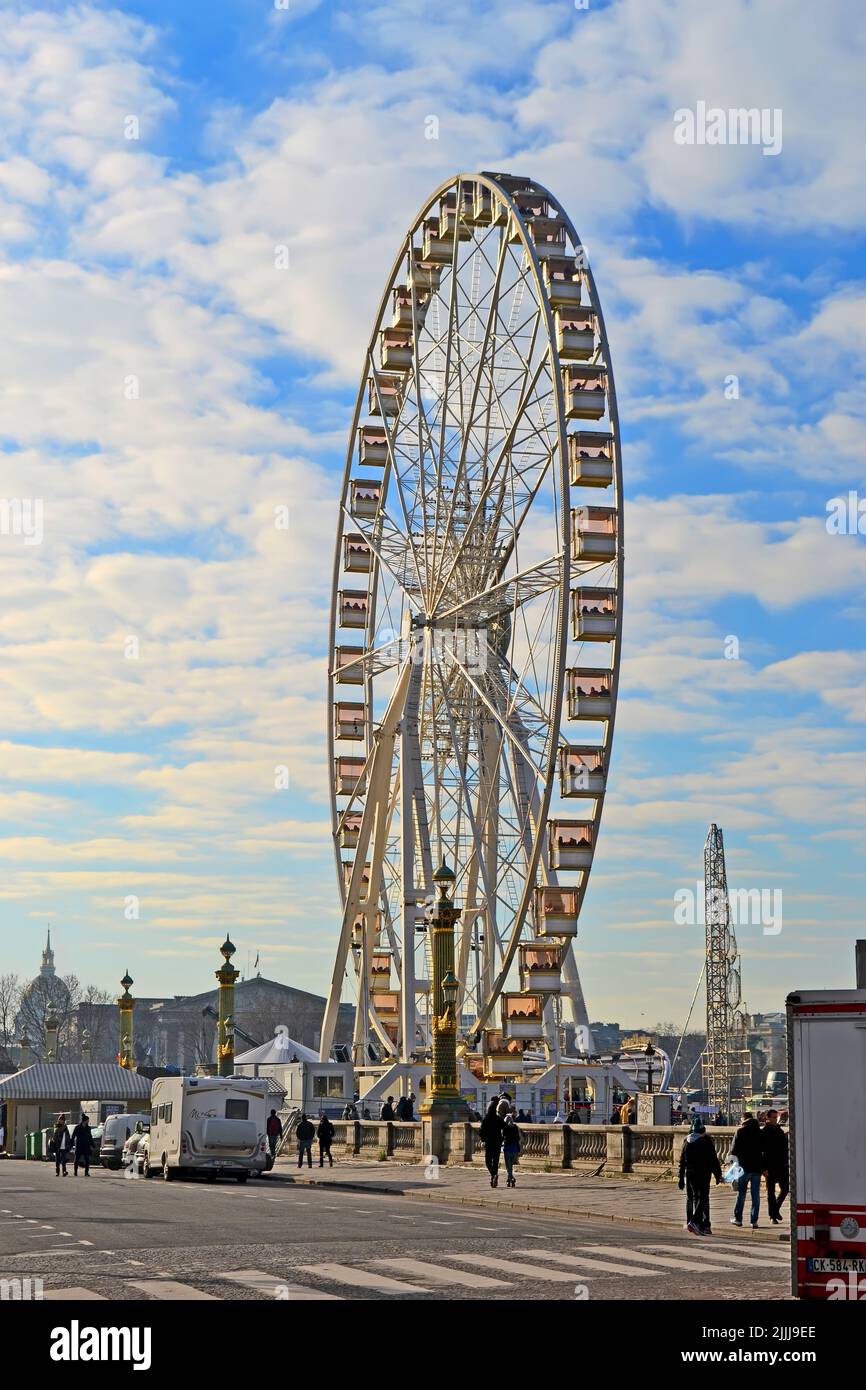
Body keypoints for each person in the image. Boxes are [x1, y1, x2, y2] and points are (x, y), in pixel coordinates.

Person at [678, 1117, 722, 1235]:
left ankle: (693, 1223)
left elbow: (682, 1161)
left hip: (690, 1173)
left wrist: (681, 1177)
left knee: (692, 1198)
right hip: (703, 1174)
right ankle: (696, 1222)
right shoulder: (705, 1142)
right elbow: (713, 1160)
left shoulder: (686, 1141)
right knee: (702, 1198)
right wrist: (718, 1175)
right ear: (703, 1130)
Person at [731, 1112, 764, 1228]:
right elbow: (763, 1150)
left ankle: (738, 1219)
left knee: (741, 1194)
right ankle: (754, 1221)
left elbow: (733, 1152)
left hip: (743, 1168)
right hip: (757, 1168)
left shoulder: (740, 1131)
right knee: (756, 1195)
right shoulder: (759, 1132)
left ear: (743, 1119)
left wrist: (734, 1169)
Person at [762, 1110, 789, 1225]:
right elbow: (761, 1151)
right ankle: (772, 1215)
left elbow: (784, 1149)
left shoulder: (779, 1130)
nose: (775, 1119)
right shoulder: (764, 1132)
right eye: (773, 1117)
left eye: (776, 1117)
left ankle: (775, 1209)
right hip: (770, 1166)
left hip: (781, 1165)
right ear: (767, 1118)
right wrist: (763, 1168)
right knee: (771, 1192)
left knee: (785, 1189)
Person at [479, 1098, 504, 1188]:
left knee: (488, 1161)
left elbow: (481, 1130)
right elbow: (504, 1126)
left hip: (489, 1142)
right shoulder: (498, 1118)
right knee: (496, 1161)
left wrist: (483, 1139)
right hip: (497, 1142)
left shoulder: (486, 1119)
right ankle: (494, 1176)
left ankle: (493, 1175)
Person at [502, 1114, 521, 1188]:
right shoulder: (515, 1127)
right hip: (515, 1149)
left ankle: (512, 1178)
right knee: (510, 1166)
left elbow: (503, 1137)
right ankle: (508, 1180)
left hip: (507, 1149)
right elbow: (518, 1138)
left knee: (508, 1166)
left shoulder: (505, 1128)